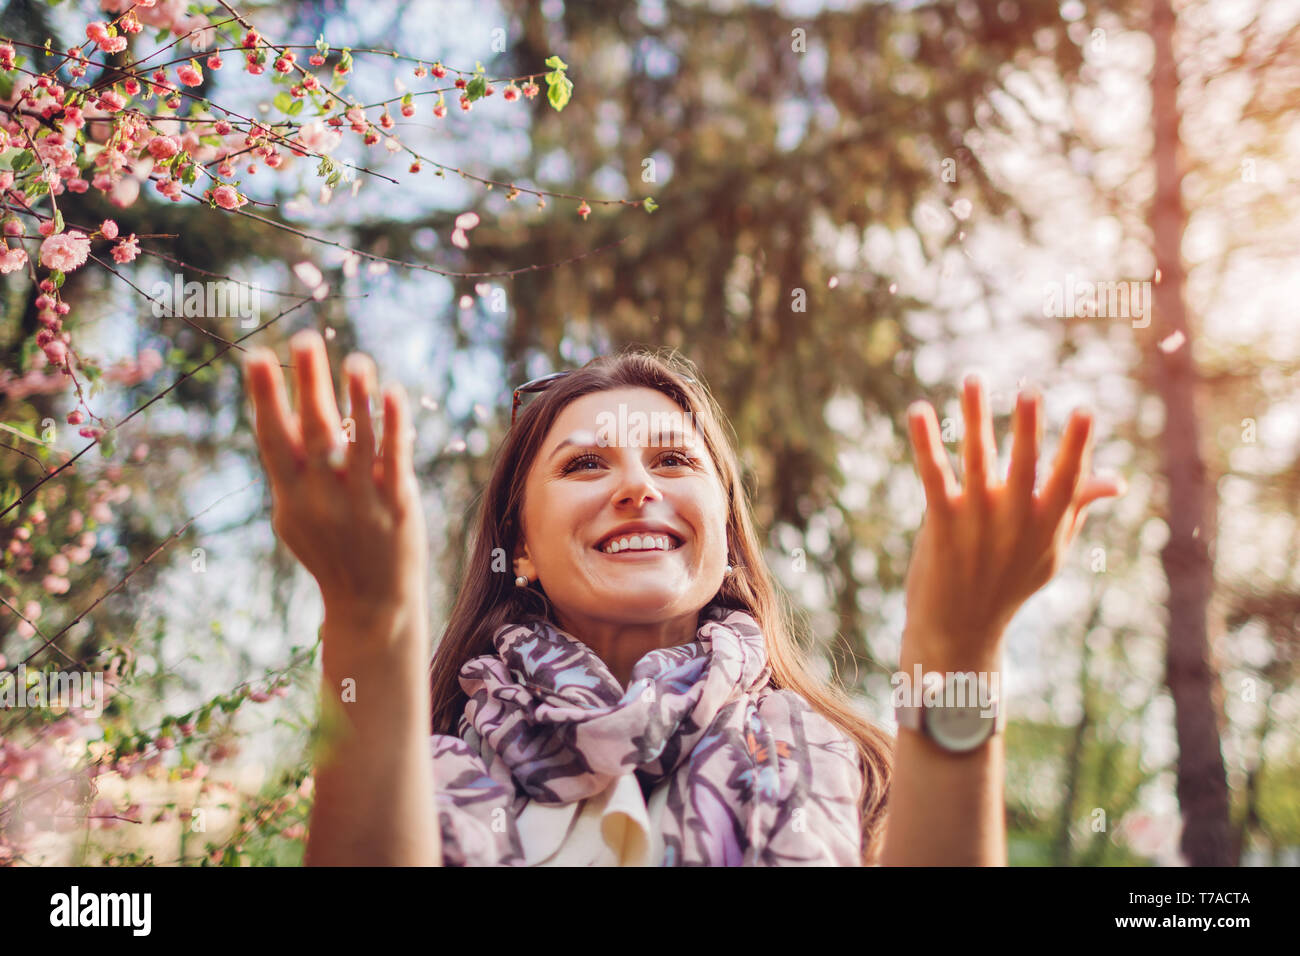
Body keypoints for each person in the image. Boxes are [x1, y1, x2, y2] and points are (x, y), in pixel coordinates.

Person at [242, 329, 1124, 866]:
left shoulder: (862, 776)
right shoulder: (412, 778)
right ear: (523, 553)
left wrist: (958, 647)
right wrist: (368, 625)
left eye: (672, 460)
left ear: (727, 538)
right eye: (586, 463)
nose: (637, 488)